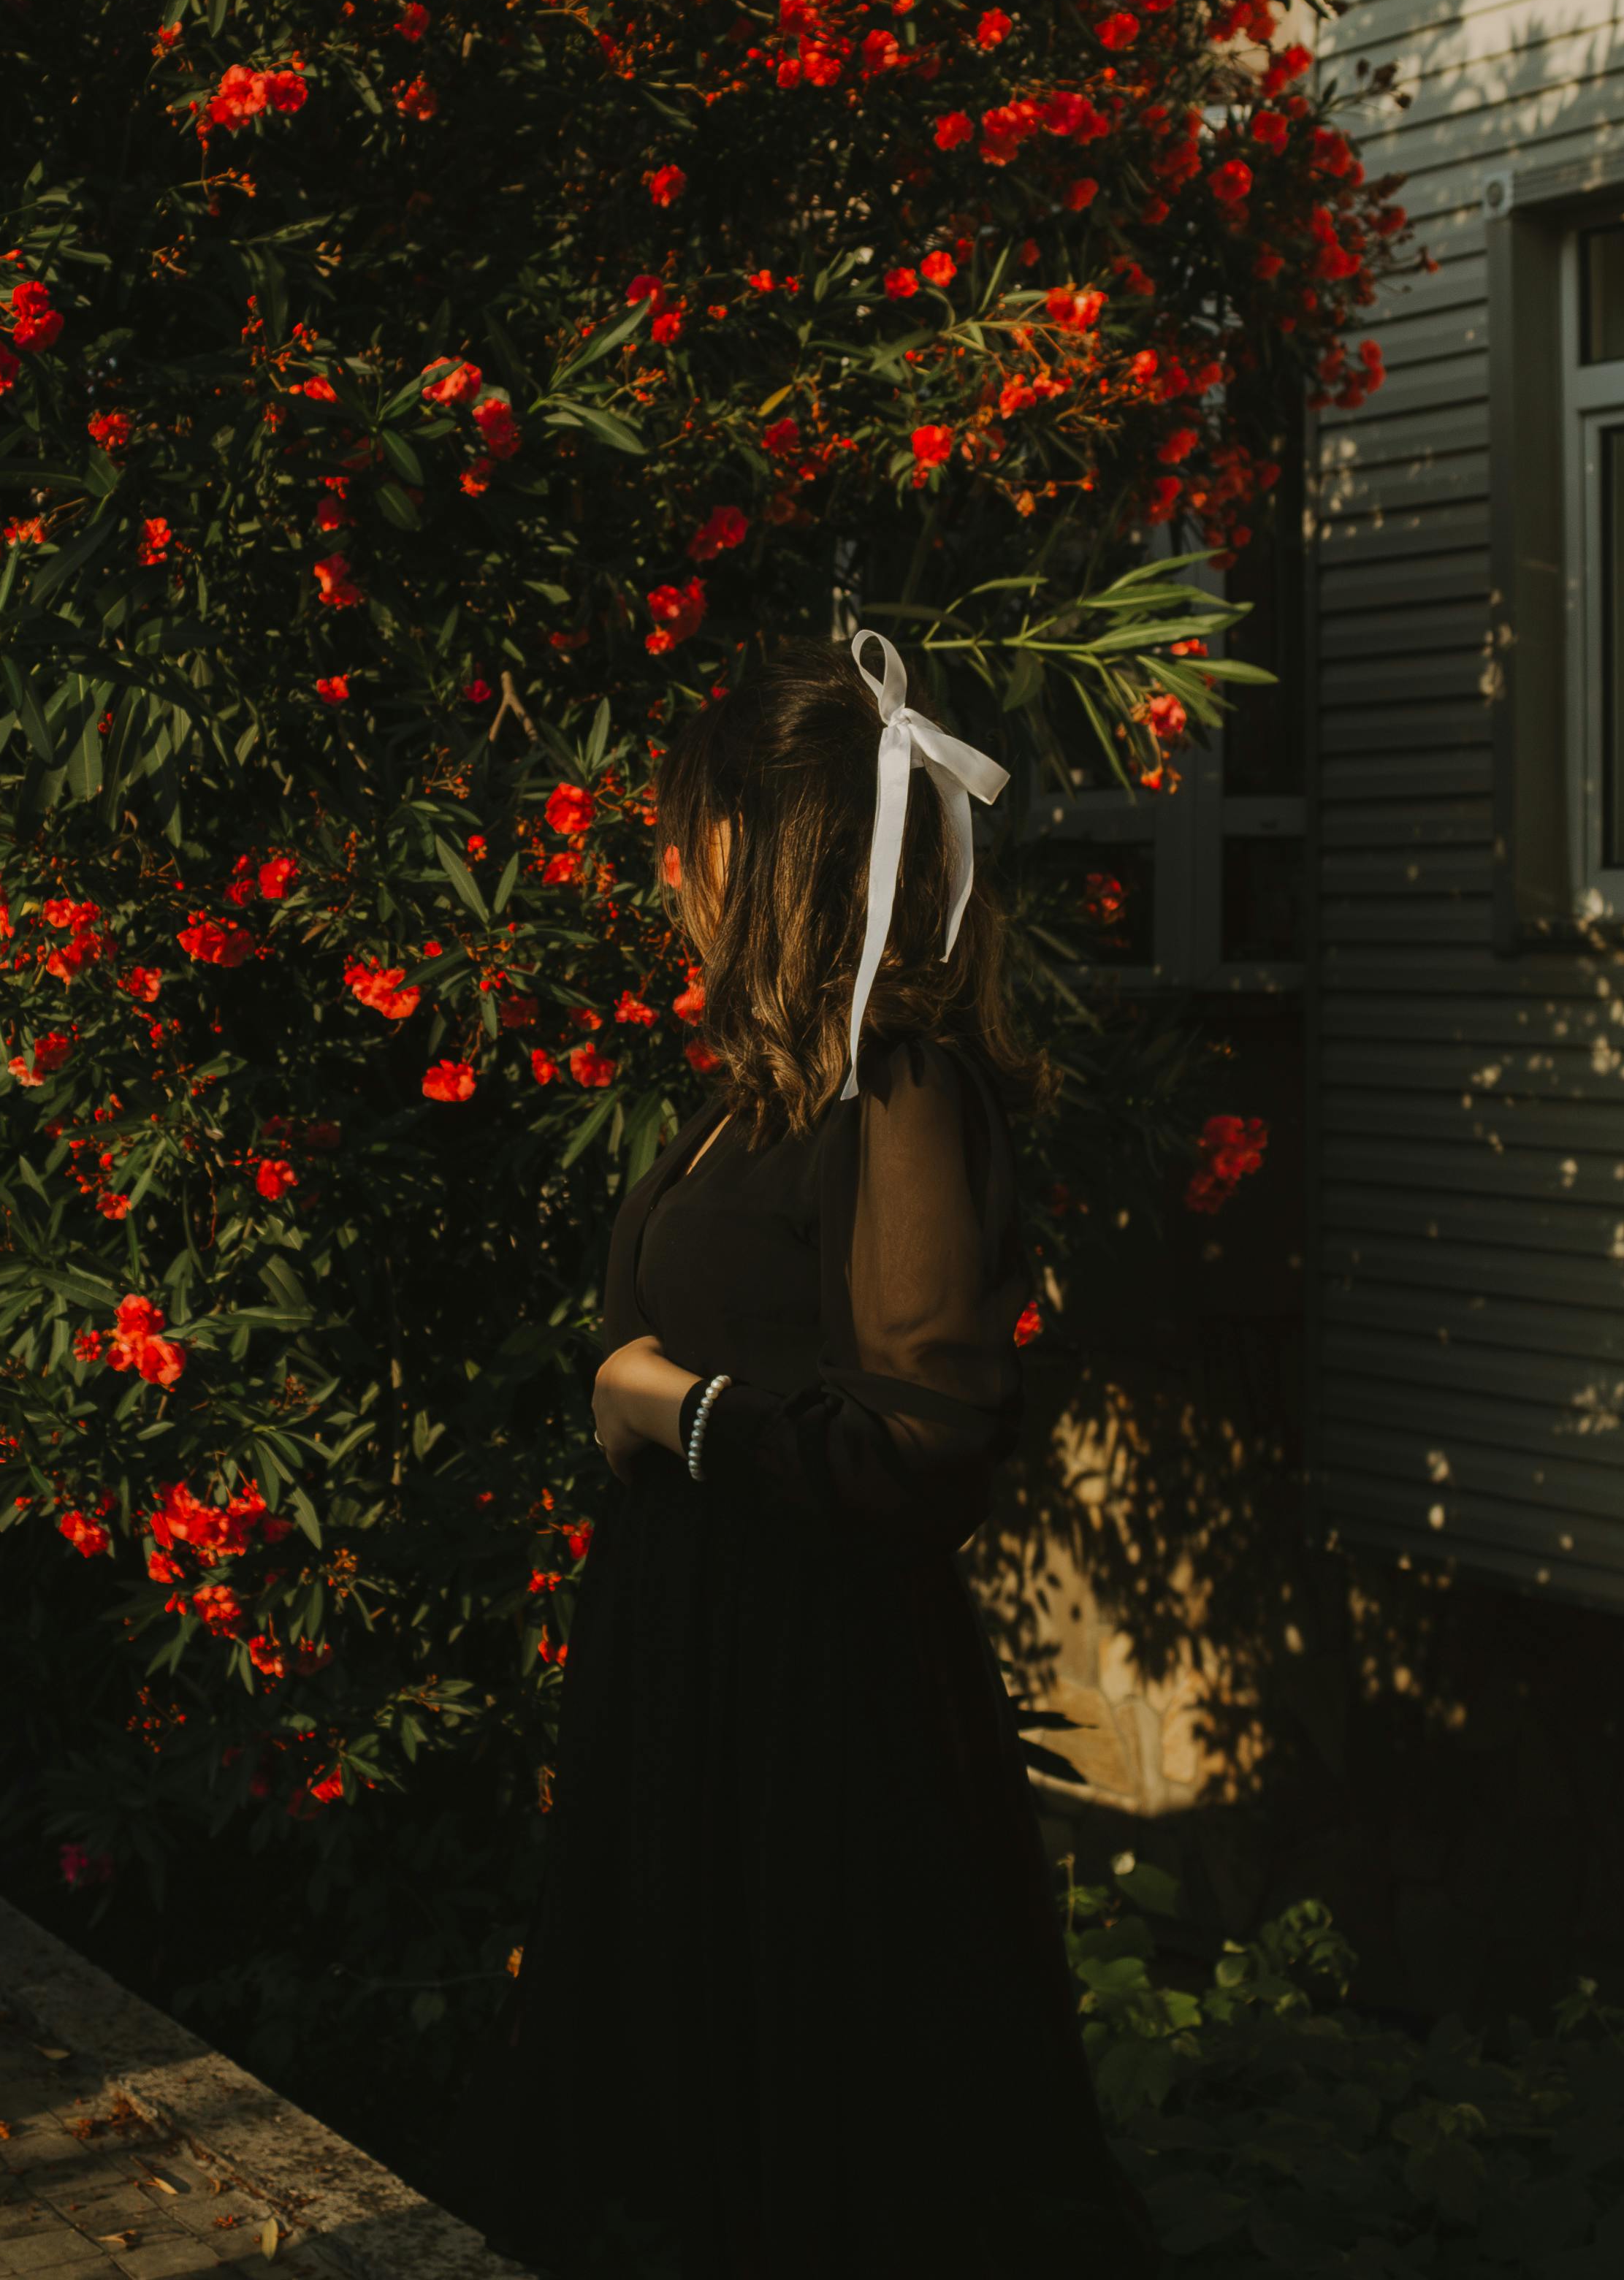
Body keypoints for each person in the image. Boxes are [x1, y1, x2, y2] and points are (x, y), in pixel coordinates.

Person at [474, 631, 1163, 2279]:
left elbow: (920, 1444)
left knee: (835, 2177)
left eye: (693, 827)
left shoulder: (903, 1089)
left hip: (813, 1727)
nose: (664, 862)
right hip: (695, 1689)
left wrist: (665, 1409)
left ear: (774, 849)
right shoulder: (759, 1093)